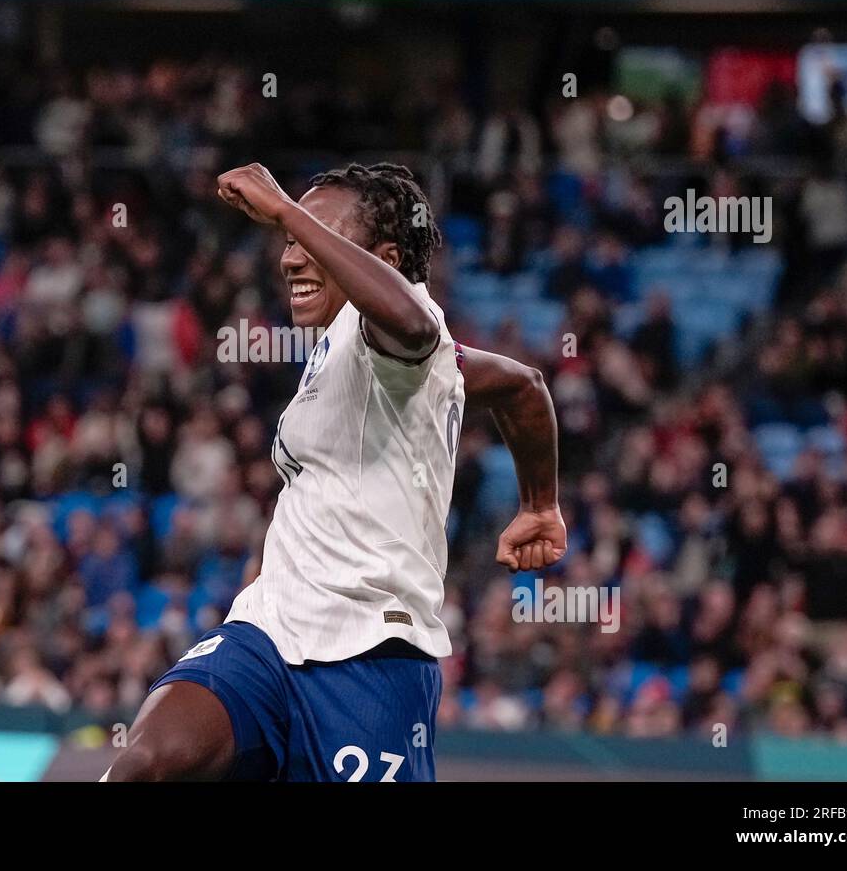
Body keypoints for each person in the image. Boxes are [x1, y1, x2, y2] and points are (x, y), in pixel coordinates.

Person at [103, 162, 565, 781]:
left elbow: (415, 326)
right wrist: (538, 504)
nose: (292, 255)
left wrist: (285, 209)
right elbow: (522, 385)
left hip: (373, 652)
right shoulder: (342, 345)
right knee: (147, 763)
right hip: (268, 632)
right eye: (290, 240)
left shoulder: (407, 331)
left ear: (388, 258)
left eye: (313, 236)